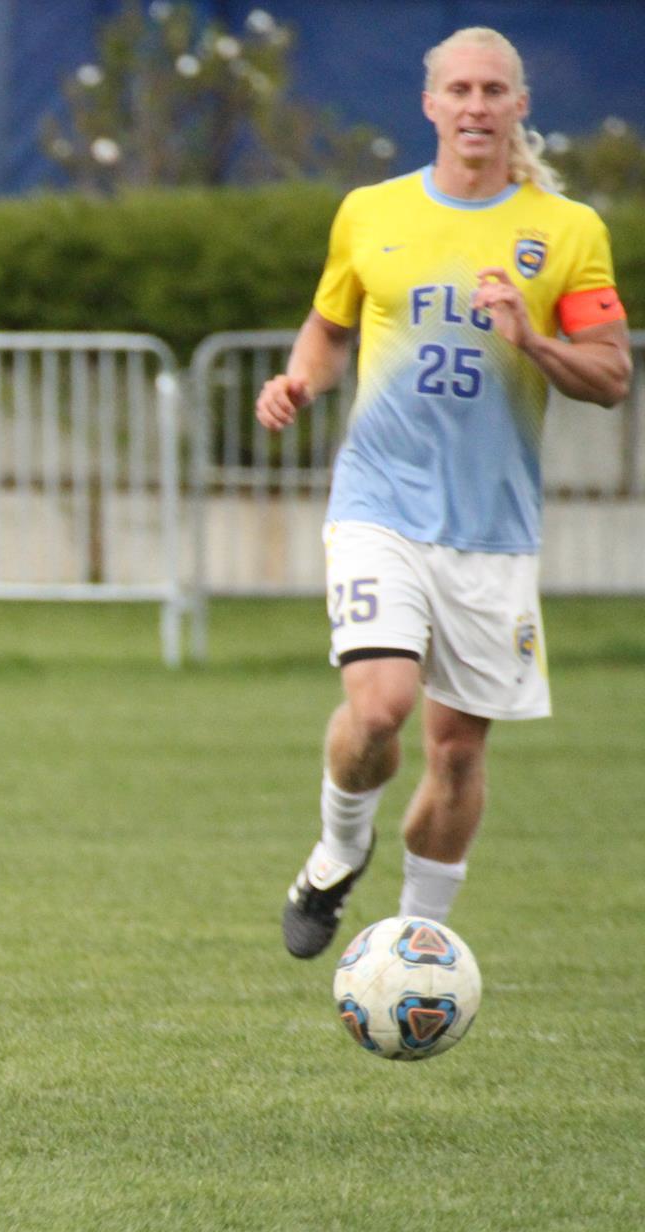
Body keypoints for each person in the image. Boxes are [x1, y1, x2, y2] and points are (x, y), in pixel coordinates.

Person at [256, 28, 631, 957]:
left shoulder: (567, 231)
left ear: (519, 105)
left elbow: (611, 375)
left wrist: (531, 340)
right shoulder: (370, 212)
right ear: (428, 104)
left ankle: (416, 947)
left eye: (493, 90)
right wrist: (302, 378)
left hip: (492, 529)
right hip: (379, 501)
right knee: (380, 706)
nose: (474, 105)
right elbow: (329, 324)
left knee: (458, 748)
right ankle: (339, 850)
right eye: (458, 88)